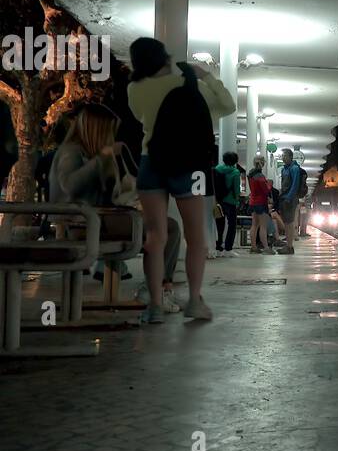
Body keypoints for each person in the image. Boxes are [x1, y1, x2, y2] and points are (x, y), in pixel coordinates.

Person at [128, 37, 235, 322]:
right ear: (165, 58)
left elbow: (141, 117)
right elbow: (227, 105)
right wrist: (206, 76)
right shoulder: (191, 86)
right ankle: (194, 301)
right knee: (195, 236)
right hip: (190, 166)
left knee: (155, 237)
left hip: (151, 162)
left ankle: (154, 305)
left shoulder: (133, 89)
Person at [48, 103, 183, 313]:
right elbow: (71, 185)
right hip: (83, 223)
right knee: (166, 228)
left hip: (96, 220)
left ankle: (159, 288)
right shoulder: (71, 152)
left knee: (165, 227)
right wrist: (102, 158)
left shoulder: (85, 153)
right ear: (97, 129)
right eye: (108, 131)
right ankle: (155, 289)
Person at [213, 151, 241, 257]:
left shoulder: (217, 169)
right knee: (232, 224)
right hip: (230, 201)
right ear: (235, 161)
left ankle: (218, 247)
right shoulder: (235, 172)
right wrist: (237, 200)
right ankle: (228, 249)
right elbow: (236, 189)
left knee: (219, 224)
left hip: (219, 200)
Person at [277, 148, 304, 254]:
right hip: (284, 198)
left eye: (284, 155)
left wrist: (289, 198)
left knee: (289, 222)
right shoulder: (284, 169)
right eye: (282, 155)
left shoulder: (294, 168)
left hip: (290, 199)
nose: (282, 157)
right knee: (287, 222)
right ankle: (288, 245)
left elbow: (295, 185)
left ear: (290, 157)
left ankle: (289, 246)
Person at [247, 156, 273, 254]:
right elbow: (266, 190)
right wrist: (269, 184)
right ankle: (266, 248)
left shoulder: (250, 174)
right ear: (262, 163)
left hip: (252, 202)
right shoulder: (260, 176)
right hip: (261, 202)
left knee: (254, 225)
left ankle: (253, 247)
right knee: (263, 226)